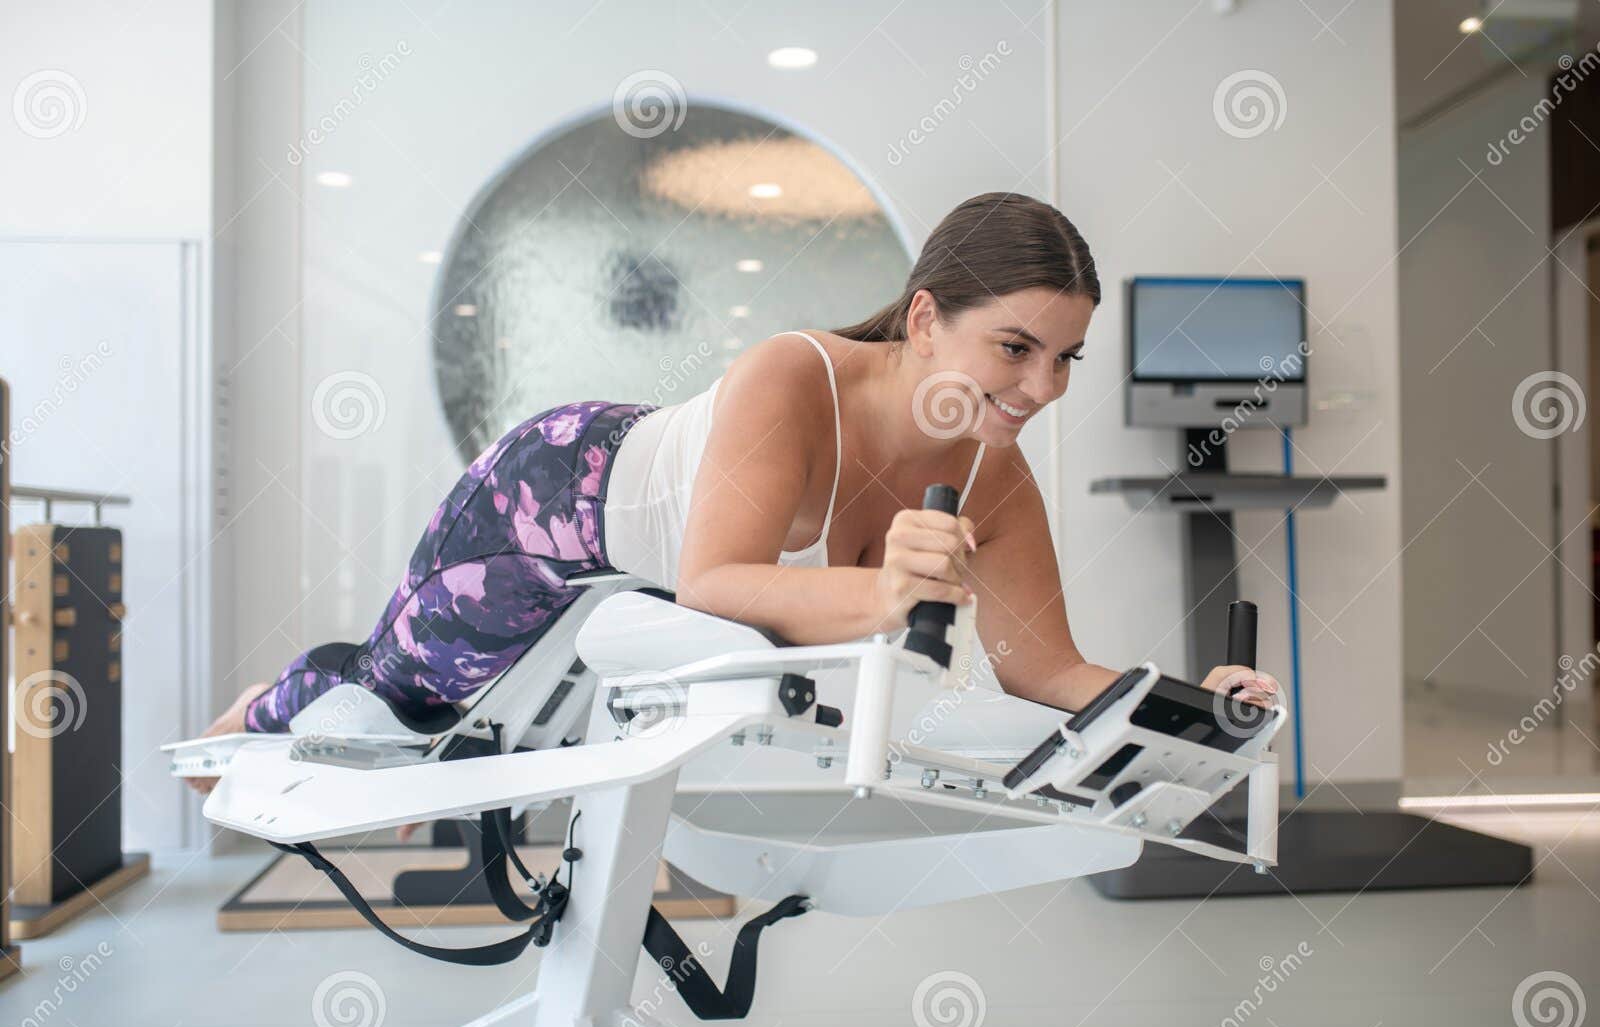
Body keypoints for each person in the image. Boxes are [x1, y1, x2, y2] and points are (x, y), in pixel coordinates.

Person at [197, 191, 1278, 778]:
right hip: (546, 497)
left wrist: (1205, 713)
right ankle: (265, 703)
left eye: (1065, 358)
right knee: (402, 692)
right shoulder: (793, 373)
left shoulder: (994, 476)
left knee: (426, 703)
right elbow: (715, 580)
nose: (1041, 386)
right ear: (921, 319)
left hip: (616, 546)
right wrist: (887, 597)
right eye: (1013, 348)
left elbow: (1045, 669)